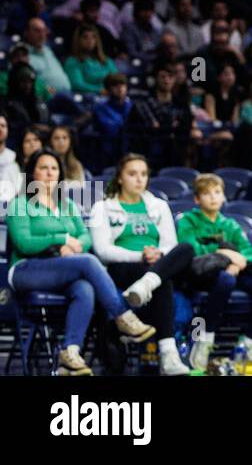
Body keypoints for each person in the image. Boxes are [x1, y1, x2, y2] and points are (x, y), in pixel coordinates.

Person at [7, 149, 157, 374]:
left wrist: (74, 245)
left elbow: (85, 237)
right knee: (87, 262)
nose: (49, 173)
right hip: (26, 269)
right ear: (32, 173)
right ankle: (122, 316)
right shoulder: (19, 204)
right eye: (43, 168)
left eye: (54, 168)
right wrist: (62, 239)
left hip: (63, 268)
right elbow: (25, 243)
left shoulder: (67, 205)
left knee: (84, 288)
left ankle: (71, 352)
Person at [89, 153, 196, 375]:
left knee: (186, 249)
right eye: (132, 174)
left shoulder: (158, 205)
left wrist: (157, 254)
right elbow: (103, 250)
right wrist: (140, 255)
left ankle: (147, 285)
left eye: (144, 174)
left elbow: (170, 244)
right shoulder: (102, 207)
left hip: (153, 266)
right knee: (161, 279)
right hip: (122, 268)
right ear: (119, 178)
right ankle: (168, 354)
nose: (139, 179)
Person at [176, 174, 252, 370]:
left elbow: (247, 252)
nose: (214, 197)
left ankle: (248, 341)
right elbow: (192, 250)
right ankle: (205, 338)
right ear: (197, 199)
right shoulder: (187, 221)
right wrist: (226, 257)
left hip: (233, 271)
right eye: (207, 194)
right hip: (199, 274)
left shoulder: (230, 224)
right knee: (225, 280)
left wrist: (236, 262)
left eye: (217, 192)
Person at [22, 17, 72, 95]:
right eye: (37, 31)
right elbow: (21, 80)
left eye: (44, 30)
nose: (42, 35)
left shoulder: (47, 50)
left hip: (67, 94)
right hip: (45, 98)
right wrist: (45, 90)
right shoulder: (21, 53)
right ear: (26, 33)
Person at [64, 23, 114, 96]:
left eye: (93, 37)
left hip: (110, 94)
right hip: (88, 97)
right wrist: (99, 90)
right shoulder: (73, 61)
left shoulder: (106, 60)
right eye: (85, 37)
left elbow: (116, 79)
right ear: (78, 40)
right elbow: (77, 84)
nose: (90, 40)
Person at [92, 73, 133, 161]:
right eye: (115, 86)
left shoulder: (131, 104)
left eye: (122, 85)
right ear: (108, 89)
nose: (120, 88)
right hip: (110, 147)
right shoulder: (101, 106)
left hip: (131, 145)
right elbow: (110, 128)